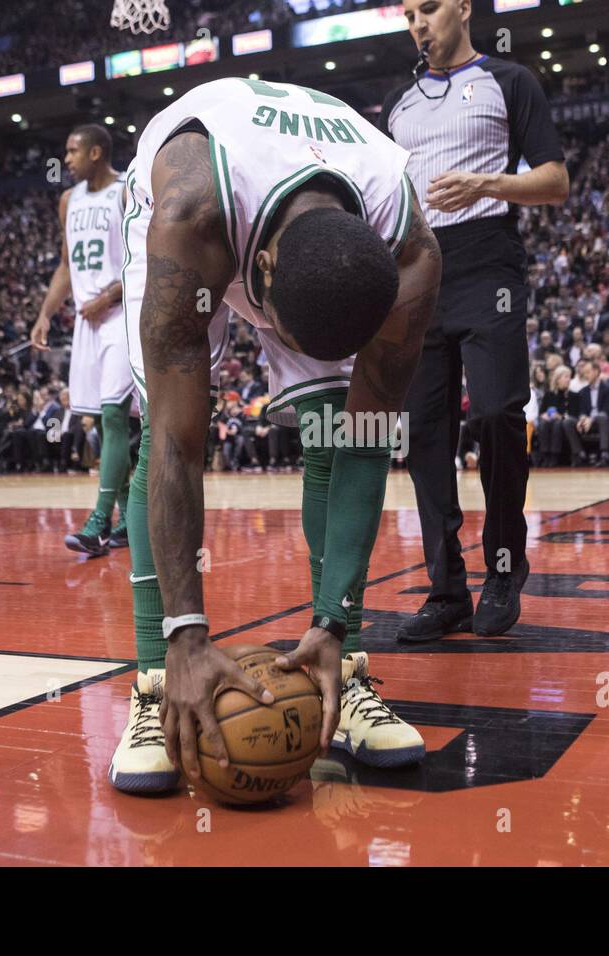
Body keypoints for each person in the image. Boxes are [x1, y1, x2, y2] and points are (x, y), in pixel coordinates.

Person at [109, 78, 442, 796]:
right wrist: (186, 635)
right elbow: (178, 447)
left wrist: (334, 621)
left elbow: (364, 437)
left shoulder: (410, 251)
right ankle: (153, 683)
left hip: (306, 217)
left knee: (335, 429)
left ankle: (341, 670)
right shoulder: (186, 215)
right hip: (191, 197)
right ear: (261, 275)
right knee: (164, 429)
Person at [381, 0, 570, 642]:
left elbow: (554, 181)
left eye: (428, 8)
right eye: (408, 13)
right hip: (416, 269)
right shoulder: (397, 107)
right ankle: (446, 591)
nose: (417, 23)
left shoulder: (509, 80)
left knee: (496, 412)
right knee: (424, 434)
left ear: (463, 7)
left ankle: (505, 565)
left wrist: (485, 184)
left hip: (488, 259)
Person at [31, 124, 132, 555]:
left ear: (96, 152)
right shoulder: (68, 201)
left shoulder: (129, 190)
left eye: (72, 151)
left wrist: (109, 295)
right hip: (86, 321)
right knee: (101, 422)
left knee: (113, 416)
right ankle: (127, 519)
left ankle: (98, 524)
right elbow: (66, 266)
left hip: (124, 314)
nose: (65, 159)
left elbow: (144, 257)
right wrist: (45, 313)